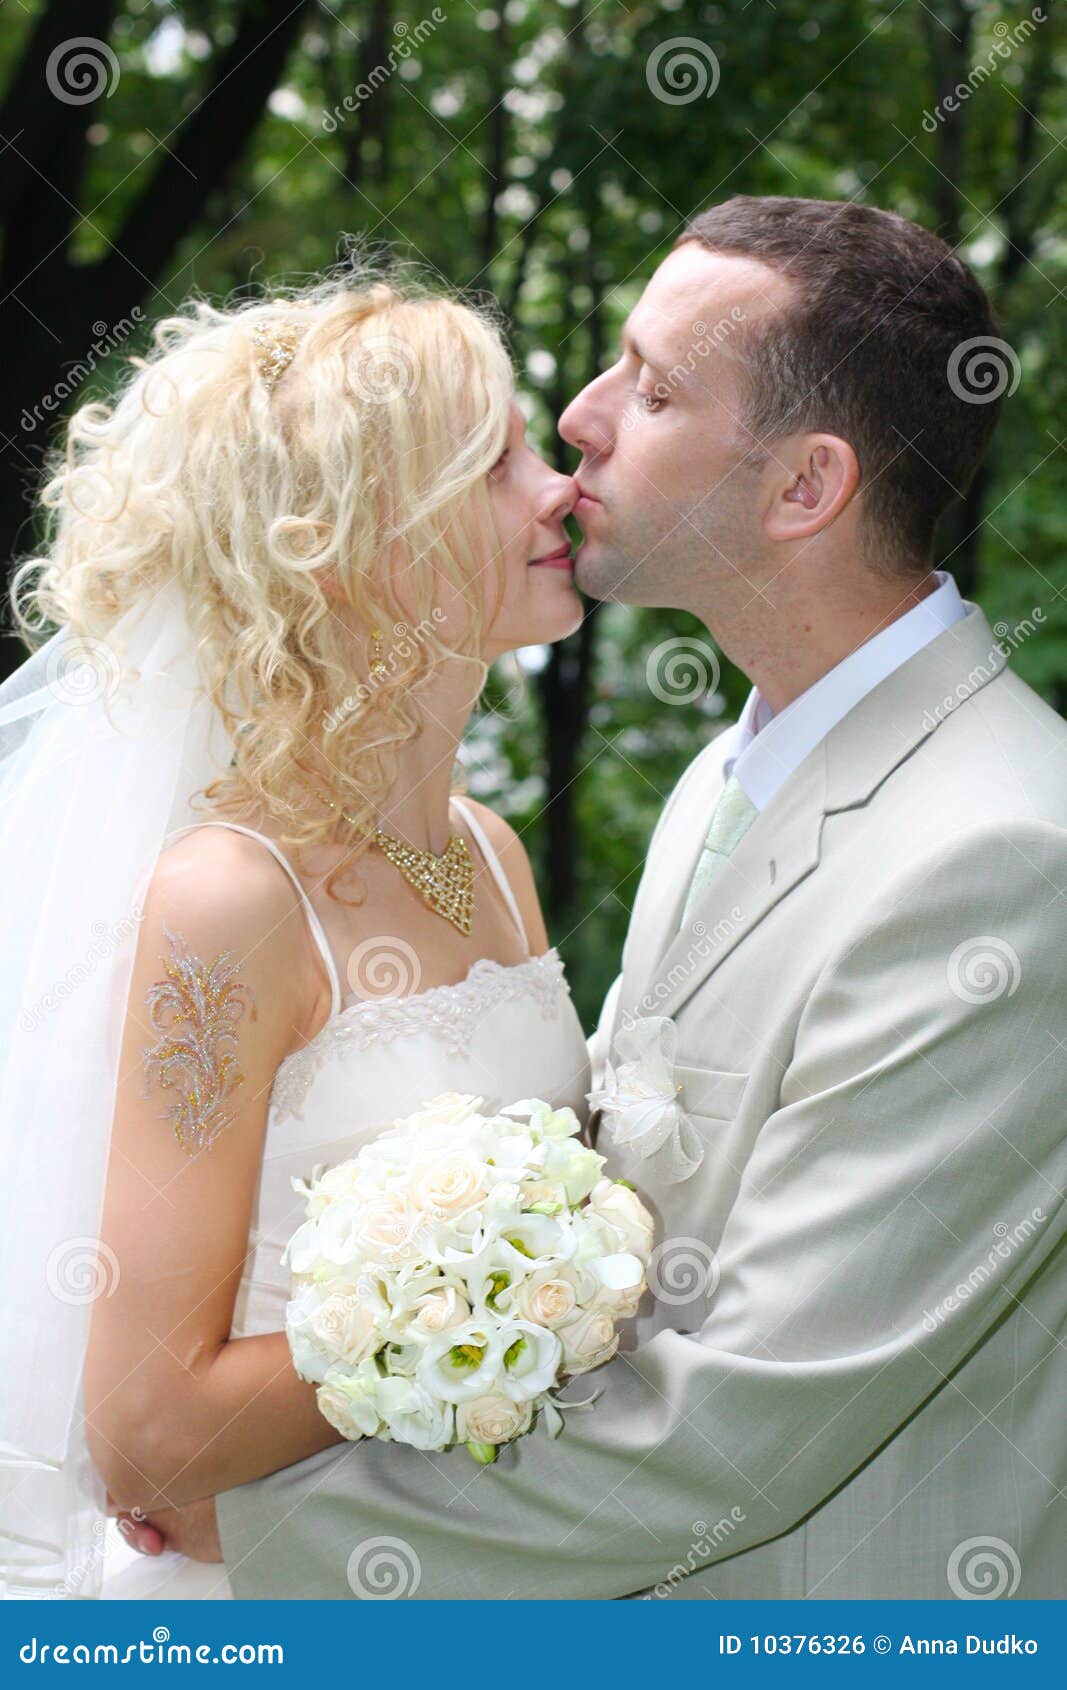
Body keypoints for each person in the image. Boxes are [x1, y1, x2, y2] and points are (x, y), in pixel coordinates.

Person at [174, 198, 1064, 1599]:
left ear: (803, 488)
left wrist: (263, 1533)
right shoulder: (731, 769)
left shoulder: (1005, 857)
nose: (582, 417)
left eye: (652, 388)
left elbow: (747, 1429)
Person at [0, 270, 592, 1599]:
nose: (555, 488)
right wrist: (506, 1308)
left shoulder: (488, 852)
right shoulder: (231, 898)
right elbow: (152, 1438)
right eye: (492, 463)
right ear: (353, 537)